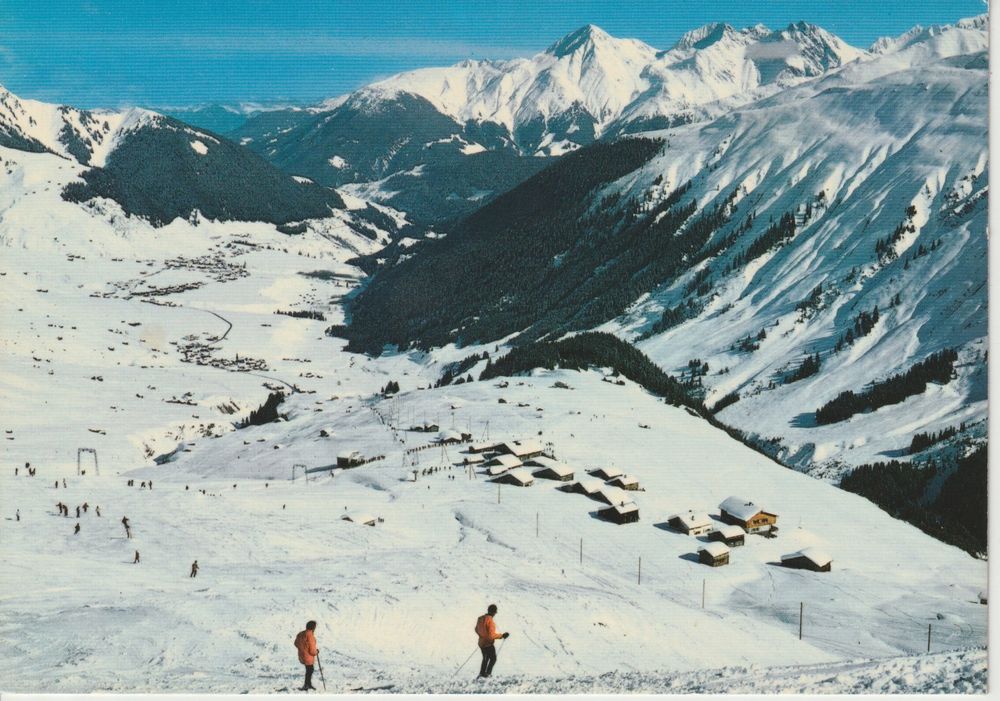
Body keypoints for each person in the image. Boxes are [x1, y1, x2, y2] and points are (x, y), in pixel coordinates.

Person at [475, 604, 508, 678]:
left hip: (481, 643)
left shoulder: (480, 618)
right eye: (495, 612)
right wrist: (502, 635)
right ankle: (487, 674)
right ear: (494, 612)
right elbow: (491, 635)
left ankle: (482, 674)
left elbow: (476, 629)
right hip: (488, 643)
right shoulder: (490, 621)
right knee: (493, 658)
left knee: (485, 658)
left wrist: (482, 636)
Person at [294, 620, 319, 691]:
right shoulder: (310, 635)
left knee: (309, 670)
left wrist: (303, 649)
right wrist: (316, 652)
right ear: (313, 627)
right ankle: (307, 685)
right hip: (308, 657)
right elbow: (312, 650)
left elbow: (296, 643)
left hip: (302, 655)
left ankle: (308, 684)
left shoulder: (300, 634)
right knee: (310, 670)